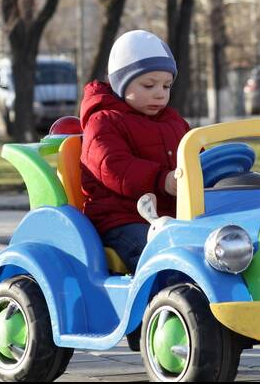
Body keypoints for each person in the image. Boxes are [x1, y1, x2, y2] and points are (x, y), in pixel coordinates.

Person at [78, 30, 190, 271]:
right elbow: (113, 167)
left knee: (222, 242)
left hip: (170, 216)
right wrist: (162, 179)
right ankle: (166, 294)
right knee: (158, 255)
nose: (159, 93)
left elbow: (194, 152)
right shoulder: (103, 122)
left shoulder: (173, 121)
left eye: (166, 85)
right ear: (122, 83)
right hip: (122, 219)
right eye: (148, 85)